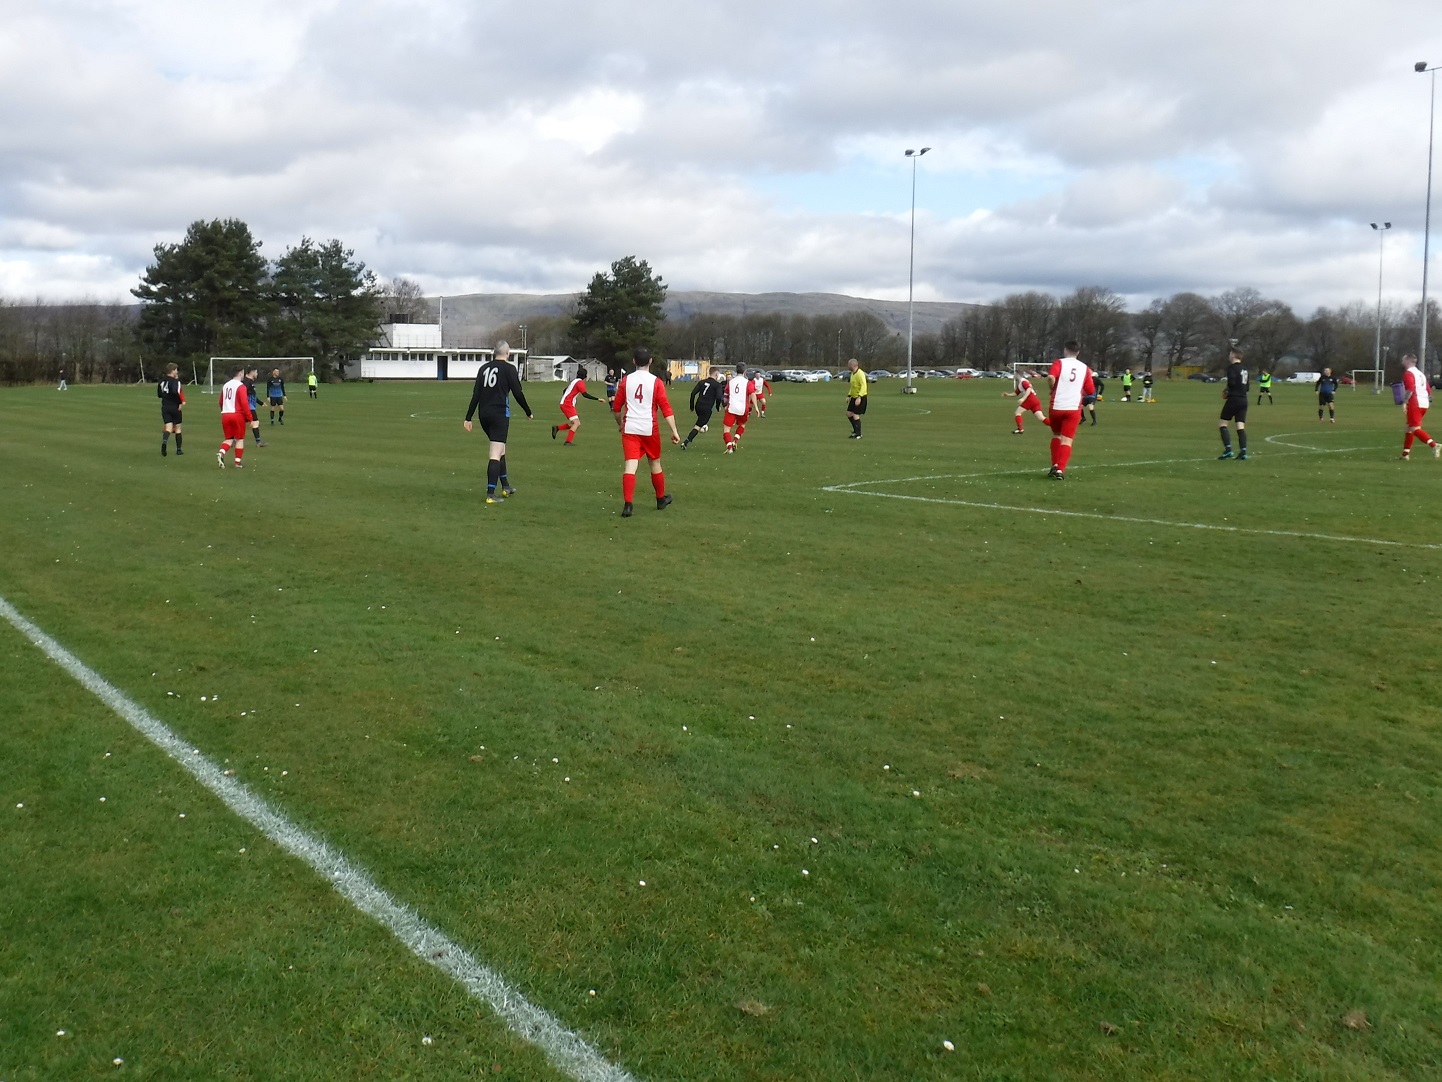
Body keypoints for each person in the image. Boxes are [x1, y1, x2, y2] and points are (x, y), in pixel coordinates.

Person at [612, 347, 680, 516]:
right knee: (655, 463)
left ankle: (628, 504)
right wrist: (674, 431)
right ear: (650, 361)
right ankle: (660, 499)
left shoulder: (626, 381)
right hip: (650, 428)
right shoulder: (656, 382)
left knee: (630, 465)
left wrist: (620, 423)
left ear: (634, 361)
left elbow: (616, 408)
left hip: (630, 428)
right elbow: (666, 409)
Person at [464, 340, 533, 503]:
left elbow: (476, 395)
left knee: (501, 449)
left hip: (484, 415)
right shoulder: (509, 369)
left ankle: (506, 486)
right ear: (507, 353)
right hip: (499, 415)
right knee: (495, 452)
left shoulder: (483, 368)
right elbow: (518, 392)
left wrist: (468, 417)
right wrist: (528, 411)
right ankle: (490, 494)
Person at [1045, 341, 1094, 479]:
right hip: (1073, 408)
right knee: (1067, 441)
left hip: (1057, 405)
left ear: (1065, 350)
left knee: (1056, 435)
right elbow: (1091, 390)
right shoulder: (1085, 368)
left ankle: (1054, 464)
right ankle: (1060, 470)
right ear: (1078, 352)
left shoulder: (1059, 363)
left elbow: (1050, 377)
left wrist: (1052, 388)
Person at [1398, 352, 1439, 459]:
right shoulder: (1420, 373)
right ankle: (1405, 454)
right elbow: (1428, 389)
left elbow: (1410, 389)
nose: (1402, 362)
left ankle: (1434, 445)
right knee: (1409, 428)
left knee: (1414, 429)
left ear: (1408, 361)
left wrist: (1404, 402)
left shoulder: (1409, 373)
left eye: (1403, 360)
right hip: (1424, 403)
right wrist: (1429, 400)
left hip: (1415, 403)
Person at [217, 365, 253, 468]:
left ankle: (221, 452)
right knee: (239, 439)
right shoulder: (241, 386)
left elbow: (220, 401)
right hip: (237, 415)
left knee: (229, 438)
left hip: (225, 414)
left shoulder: (226, 385)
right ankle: (237, 463)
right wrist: (250, 418)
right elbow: (244, 403)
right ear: (241, 373)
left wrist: (225, 410)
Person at [552, 369, 599, 445]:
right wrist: (597, 399)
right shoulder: (580, 382)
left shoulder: (574, 381)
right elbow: (584, 394)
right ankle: (568, 442)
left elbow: (564, 390)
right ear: (585, 376)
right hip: (567, 404)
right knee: (576, 423)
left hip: (565, 403)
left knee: (574, 423)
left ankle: (557, 428)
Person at [1218, 348, 1250, 460]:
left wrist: (1227, 391)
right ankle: (1243, 452)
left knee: (1222, 424)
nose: (1229, 355)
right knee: (1240, 426)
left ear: (1233, 355)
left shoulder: (1231, 368)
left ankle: (1228, 450)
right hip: (1244, 400)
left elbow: (1231, 382)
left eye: (1230, 353)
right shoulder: (1245, 369)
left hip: (1234, 399)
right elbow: (1247, 387)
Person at [682, 368, 726, 448]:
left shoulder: (702, 382)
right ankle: (686, 442)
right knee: (697, 426)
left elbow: (693, 394)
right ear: (716, 374)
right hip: (707, 408)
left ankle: (703, 425)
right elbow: (719, 397)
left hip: (698, 406)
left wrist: (691, 406)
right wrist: (717, 406)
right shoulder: (717, 385)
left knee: (701, 420)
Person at [722, 363, 760, 453]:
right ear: (745, 371)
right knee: (742, 425)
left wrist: (725, 404)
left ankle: (729, 447)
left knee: (726, 429)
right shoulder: (748, 383)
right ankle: (735, 441)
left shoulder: (731, 382)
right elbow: (753, 394)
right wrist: (756, 407)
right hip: (743, 409)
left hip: (731, 408)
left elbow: (726, 395)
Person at [158, 362, 185, 456]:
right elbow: (175, 392)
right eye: (176, 370)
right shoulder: (175, 382)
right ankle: (178, 449)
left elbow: (159, 394)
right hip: (174, 407)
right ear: (172, 371)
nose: (177, 372)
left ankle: (164, 442)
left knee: (168, 427)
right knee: (178, 428)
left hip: (165, 407)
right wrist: (180, 402)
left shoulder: (161, 381)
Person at [845, 358, 868, 439]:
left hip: (860, 397)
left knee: (855, 414)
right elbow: (853, 387)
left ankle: (859, 434)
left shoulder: (860, 374)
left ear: (852, 365)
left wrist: (860, 397)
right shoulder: (852, 374)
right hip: (854, 397)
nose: (848, 366)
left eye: (848, 365)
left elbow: (864, 386)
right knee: (848, 413)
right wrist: (849, 396)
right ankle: (855, 431)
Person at [243, 367, 267, 447]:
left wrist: (260, 403)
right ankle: (258, 442)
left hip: (249, 406)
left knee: (241, 422)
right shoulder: (247, 382)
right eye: (256, 372)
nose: (257, 374)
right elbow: (243, 395)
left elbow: (252, 395)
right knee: (255, 422)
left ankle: (233, 439)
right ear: (252, 372)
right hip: (248, 407)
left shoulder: (249, 382)